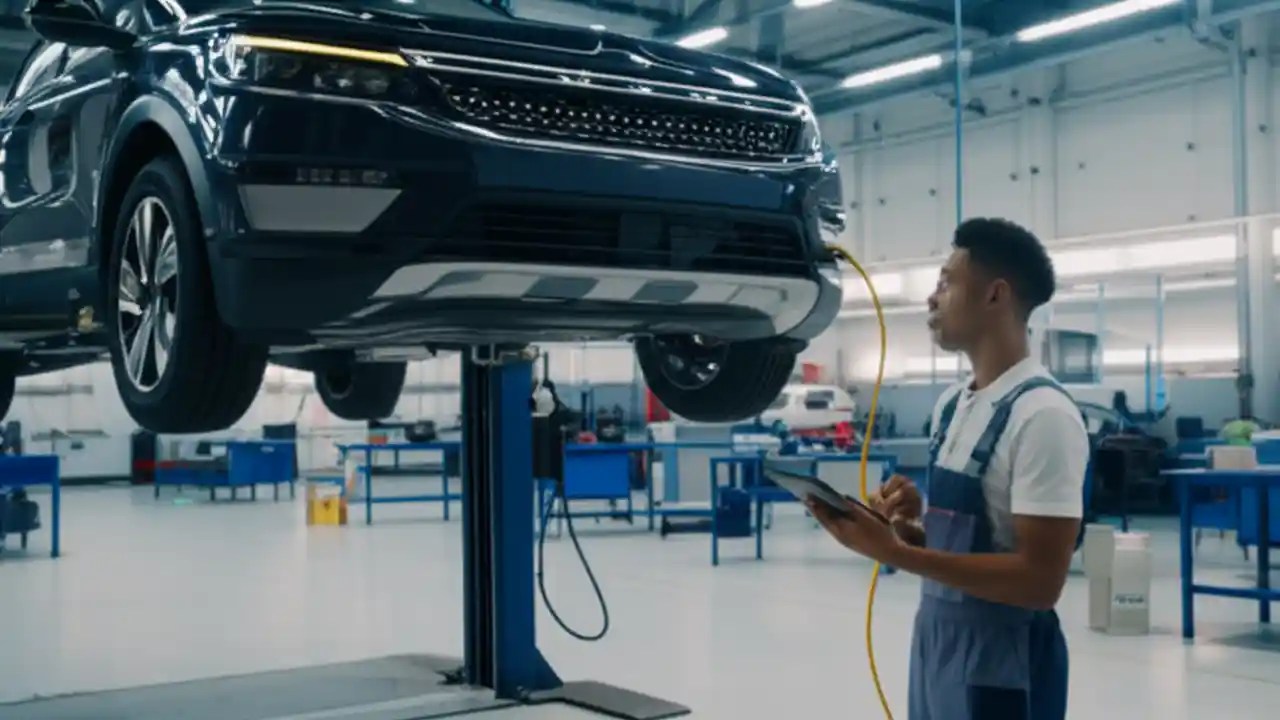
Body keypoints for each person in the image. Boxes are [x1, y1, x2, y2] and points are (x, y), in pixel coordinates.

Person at [807, 218, 1089, 720]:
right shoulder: (951, 406)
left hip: (1004, 666)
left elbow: (1040, 581)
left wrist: (896, 553)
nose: (931, 300)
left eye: (945, 283)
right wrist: (912, 528)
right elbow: (962, 545)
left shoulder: (1043, 416)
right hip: (936, 646)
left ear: (995, 295)